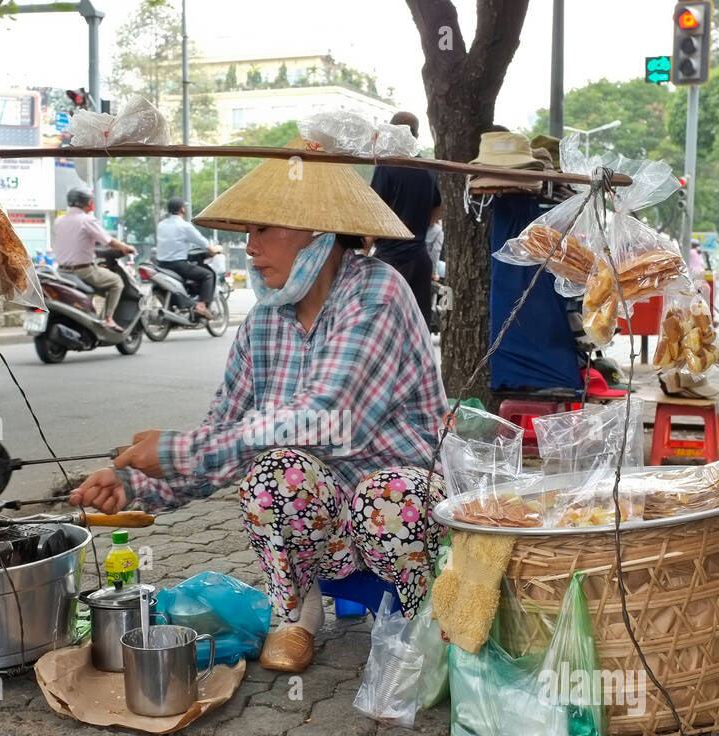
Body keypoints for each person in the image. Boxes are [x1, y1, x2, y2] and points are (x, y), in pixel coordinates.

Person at [69, 140, 447, 674]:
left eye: (263, 230)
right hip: (329, 512)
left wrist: (176, 449)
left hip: (399, 500)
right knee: (274, 472)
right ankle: (295, 615)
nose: (249, 246)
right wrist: (134, 484)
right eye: (247, 232)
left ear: (317, 234)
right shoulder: (265, 318)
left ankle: (426, 622)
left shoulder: (376, 292)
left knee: (387, 498)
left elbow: (326, 415)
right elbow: (227, 432)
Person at [370, 110, 442, 331]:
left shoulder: (387, 166)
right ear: (415, 137)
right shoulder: (427, 169)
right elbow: (438, 209)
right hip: (420, 259)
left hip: (390, 261)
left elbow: (373, 211)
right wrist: (417, 224)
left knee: (383, 330)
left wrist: (363, 250)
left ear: (391, 133)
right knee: (417, 330)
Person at [54, 188, 136, 330]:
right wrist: (126, 247)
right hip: (84, 271)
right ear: (88, 203)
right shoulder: (87, 220)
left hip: (61, 271)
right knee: (116, 282)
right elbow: (109, 241)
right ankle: (109, 318)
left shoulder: (59, 220)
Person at [155, 197, 221, 319]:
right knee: (207, 275)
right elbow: (202, 241)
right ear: (182, 209)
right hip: (177, 266)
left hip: (160, 265)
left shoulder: (161, 225)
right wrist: (213, 250)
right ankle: (201, 306)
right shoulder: (184, 226)